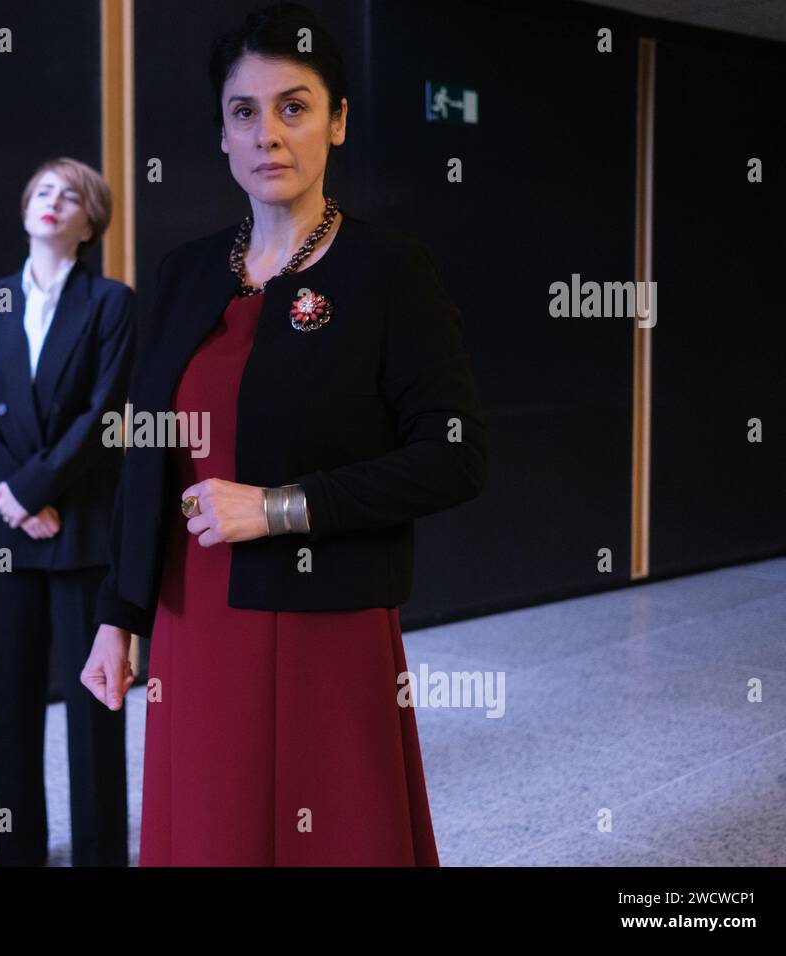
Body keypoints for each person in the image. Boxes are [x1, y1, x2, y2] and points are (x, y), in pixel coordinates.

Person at [80, 2, 488, 865]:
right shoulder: (184, 271)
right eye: (244, 112)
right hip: (195, 622)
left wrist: (278, 508)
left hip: (326, 618)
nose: (268, 133)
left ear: (337, 123)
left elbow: (454, 455)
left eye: (294, 107)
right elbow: (146, 453)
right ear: (223, 134)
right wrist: (117, 619)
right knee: (206, 837)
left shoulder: (389, 271)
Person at [0, 158, 135, 866]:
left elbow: (104, 414)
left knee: (96, 701)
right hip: (3, 528)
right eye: (42, 191)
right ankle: (17, 850)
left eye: (71, 196)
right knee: (11, 699)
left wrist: (35, 492)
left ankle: (100, 854)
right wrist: (15, 498)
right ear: (26, 207)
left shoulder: (111, 302)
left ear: (90, 222)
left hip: (79, 524)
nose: (53, 203)